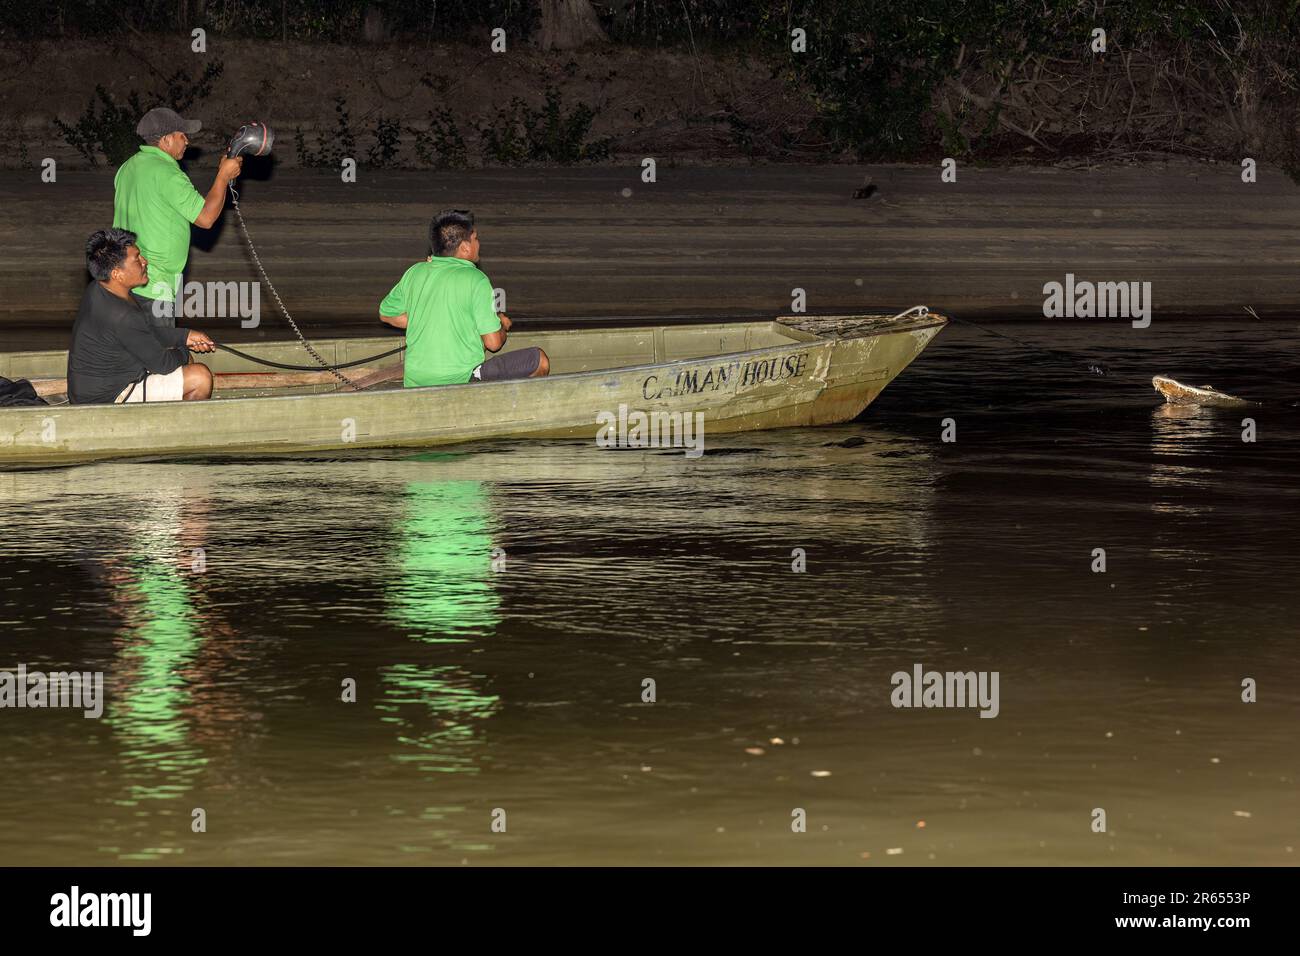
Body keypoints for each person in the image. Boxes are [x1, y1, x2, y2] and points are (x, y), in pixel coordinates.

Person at [378, 209, 549, 386]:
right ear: (465, 247)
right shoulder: (476, 279)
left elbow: (387, 314)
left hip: (416, 380)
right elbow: (493, 343)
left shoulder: (414, 272)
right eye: (476, 239)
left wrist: (429, 320)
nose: (478, 244)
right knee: (539, 360)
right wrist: (502, 326)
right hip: (461, 378)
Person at [113, 107, 244, 327]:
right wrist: (223, 176)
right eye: (181, 135)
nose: (187, 141)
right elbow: (206, 218)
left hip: (123, 281)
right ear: (165, 140)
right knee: (164, 355)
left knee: (139, 351)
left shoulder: (127, 167)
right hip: (154, 284)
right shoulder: (167, 173)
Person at [67, 228, 216, 405]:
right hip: (107, 399)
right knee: (200, 377)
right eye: (136, 259)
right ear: (117, 274)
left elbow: (144, 332)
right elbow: (163, 364)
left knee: (183, 359)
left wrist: (185, 336)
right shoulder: (122, 315)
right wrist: (184, 349)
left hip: (88, 390)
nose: (144, 261)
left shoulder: (98, 289)